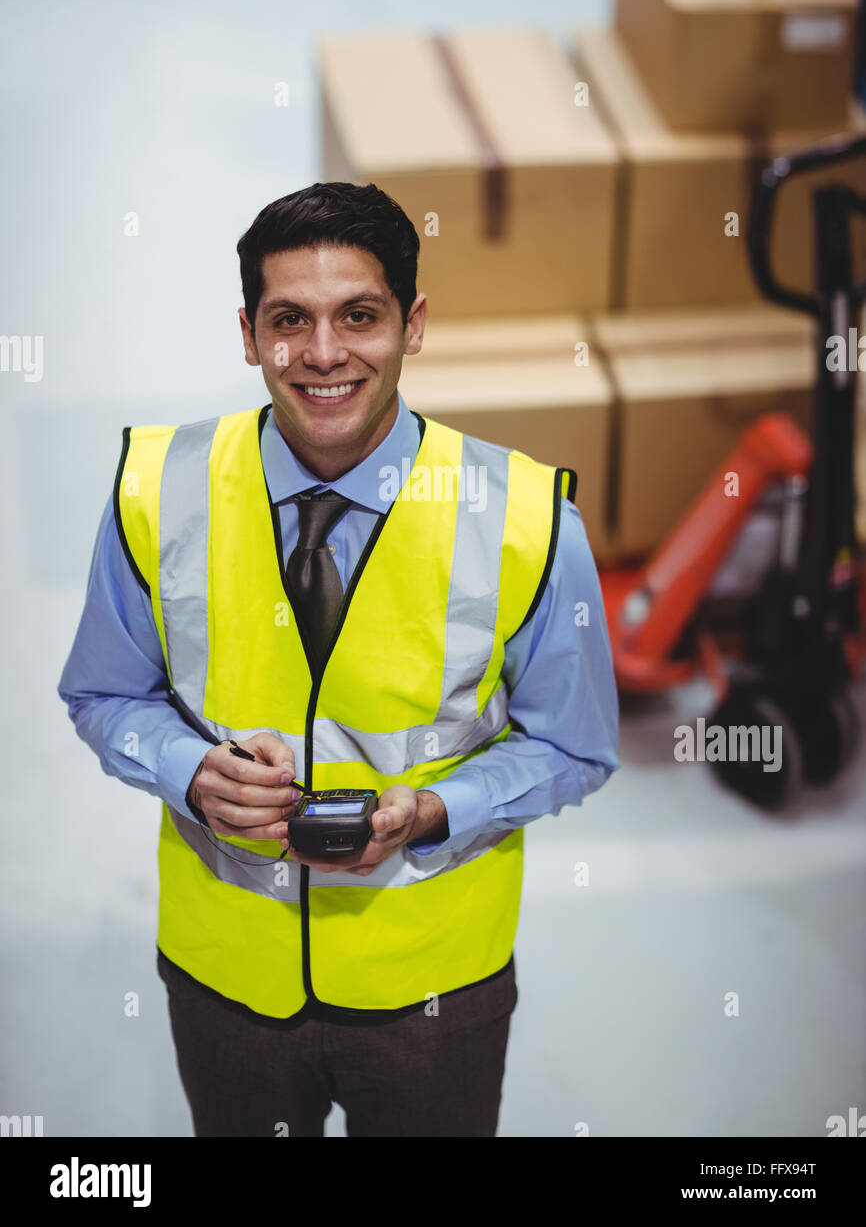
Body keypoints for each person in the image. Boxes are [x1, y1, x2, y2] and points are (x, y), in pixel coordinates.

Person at [58, 181, 620, 1138]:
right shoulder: (154, 493)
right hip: (226, 982)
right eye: (290, 320)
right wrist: (188, 771)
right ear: (248, 333)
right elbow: (107, 692)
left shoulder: (527, 520)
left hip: (433, 994)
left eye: (359, 315)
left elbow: (576, 745)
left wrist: (436, 810)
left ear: (413, 323)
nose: (323, 354)